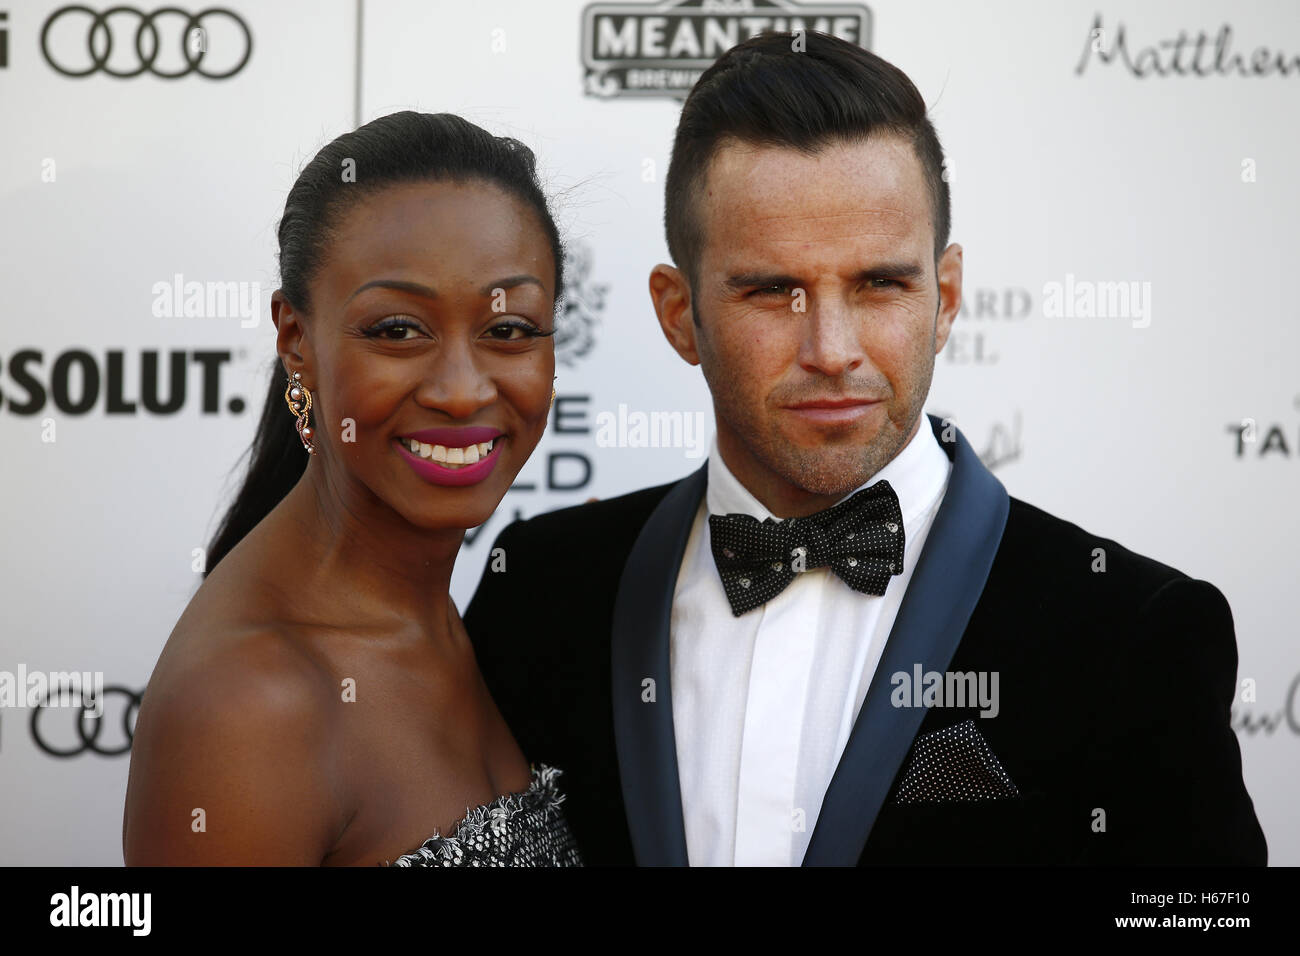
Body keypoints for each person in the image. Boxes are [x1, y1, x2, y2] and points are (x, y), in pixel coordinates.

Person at [464, 32, 1268, 866]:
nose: (832, 349)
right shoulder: (542, 593)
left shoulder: (1133, 632)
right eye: (773, 291)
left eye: (880, 283)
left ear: (946, 298)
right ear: (678, 315)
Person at [122, 111, 582, 867]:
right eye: (398, 330)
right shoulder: (253, 703)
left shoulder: (449, 621)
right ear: (296, 341)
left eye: (508, 331)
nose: (463, 392)